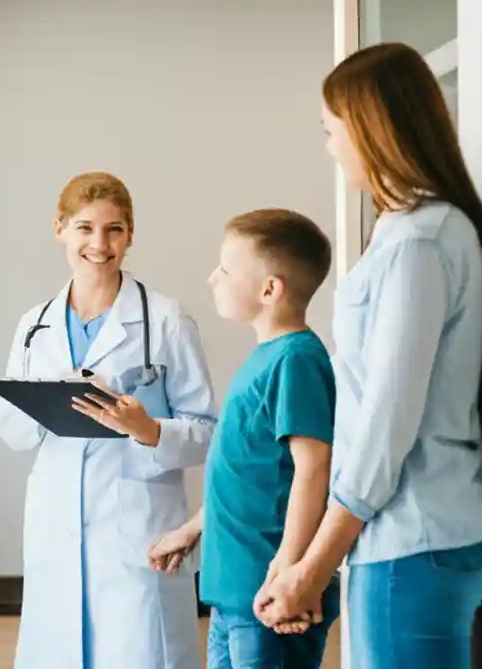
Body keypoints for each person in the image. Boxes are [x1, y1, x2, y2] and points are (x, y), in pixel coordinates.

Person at [253, 42, 482, 669]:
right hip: (410, 536)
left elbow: (386, 425)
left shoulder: (421, 241)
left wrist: (315, 565)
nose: (331, 148)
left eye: (332, 131)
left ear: (370, 130)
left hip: (411, 538)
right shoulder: (405, 229)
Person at [0, 171, 217, 669]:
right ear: (60, 230)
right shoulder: (35, 327)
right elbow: (8, 429)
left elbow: (205, 434)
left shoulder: (165, 320)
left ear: (131, 234)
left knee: (139, 649)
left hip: (137, 524)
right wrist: (44, 402)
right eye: (84, 228)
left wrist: (148, 430)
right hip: (57, 520)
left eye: (114, 229)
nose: (100, 243)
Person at [148, 209, 339, 669]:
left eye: (225, 269)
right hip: (232, 588)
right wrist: (191, 530)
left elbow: (314, 467)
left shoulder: (296, 360)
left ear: (269, 289)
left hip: (267, 593)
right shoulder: (265, 357)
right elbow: (247, 472)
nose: (212, 278)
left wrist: (292, 569)